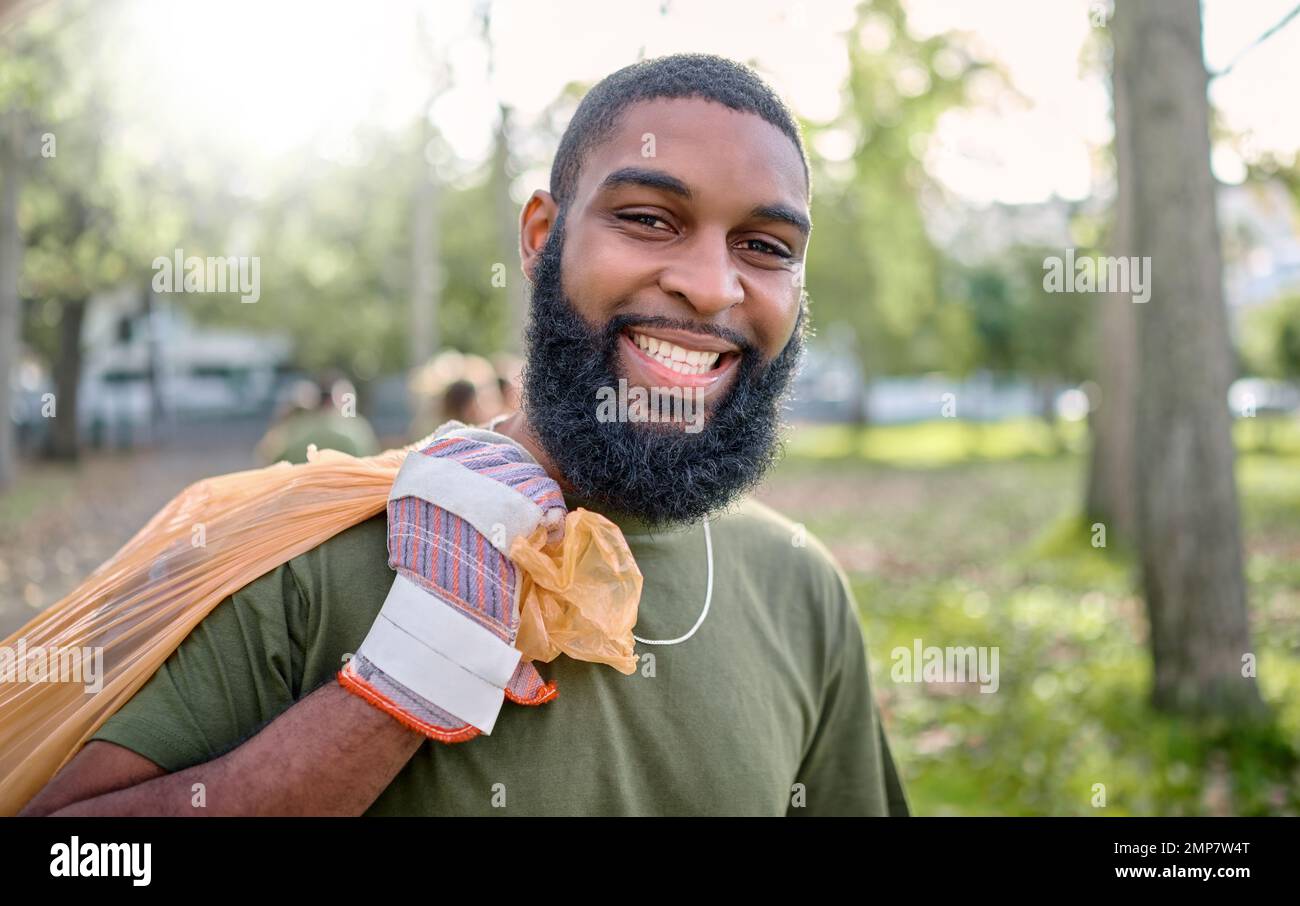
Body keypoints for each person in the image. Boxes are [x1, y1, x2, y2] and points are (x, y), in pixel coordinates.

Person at [20, 53, 908, 817]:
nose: (713, 286)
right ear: (541, 237)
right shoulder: (315, 562)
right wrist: (403, 681)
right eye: (648, 219)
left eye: (764, 245)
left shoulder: (800, 588)